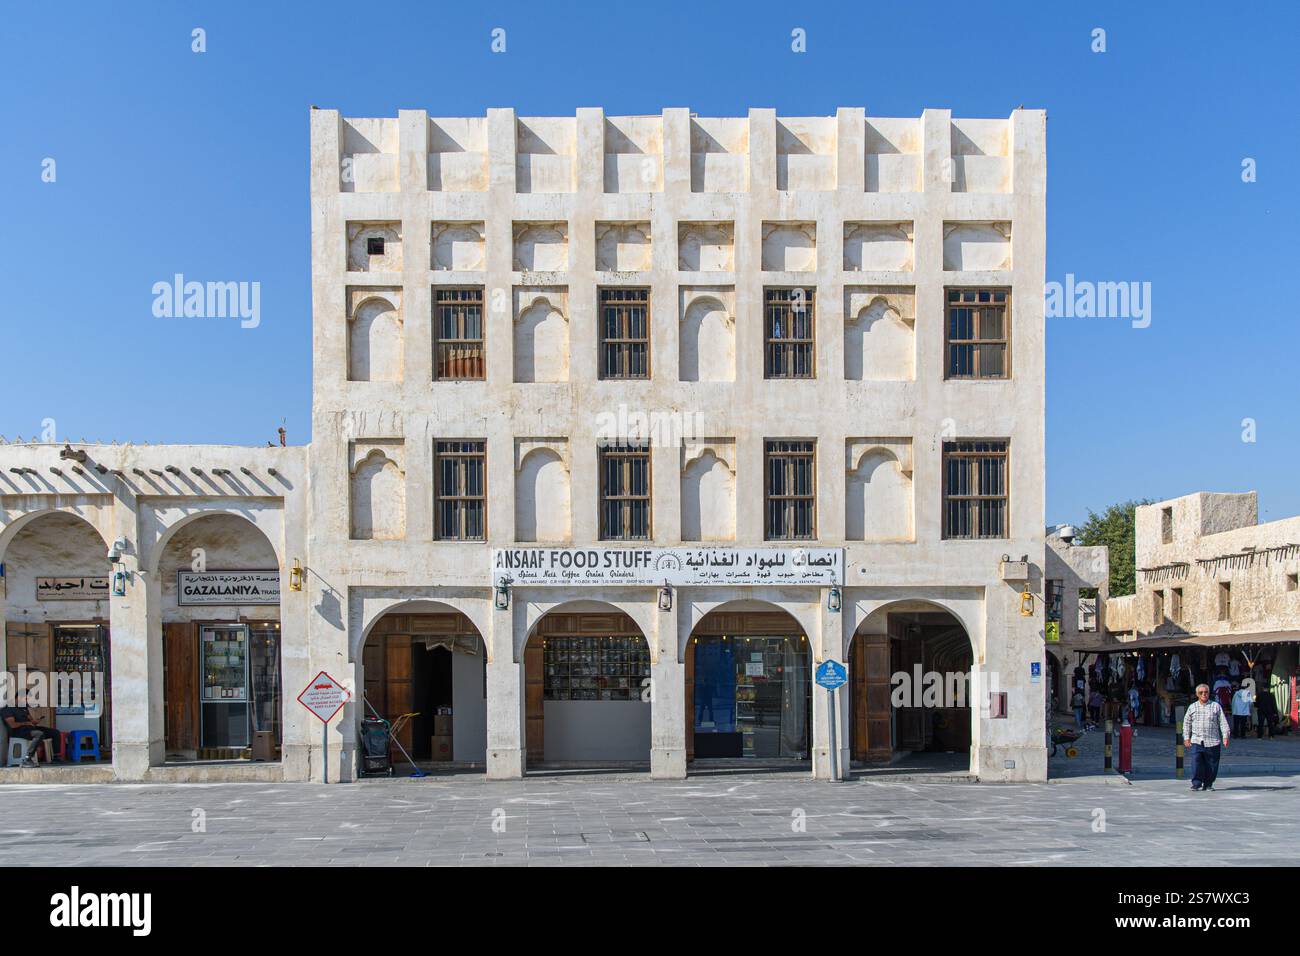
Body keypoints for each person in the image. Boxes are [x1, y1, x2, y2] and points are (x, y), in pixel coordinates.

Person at [1184, 683, 1231, 792]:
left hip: (1213, 741)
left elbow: (1223, 722)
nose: (1204, 694)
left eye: (1206, 692)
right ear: (1197, 694)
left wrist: (1225, 736)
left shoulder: (1216, 706)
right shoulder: (1192, 707)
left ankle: (1208, 784)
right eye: (1201, 693)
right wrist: (1186, 737)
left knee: (1212, 764)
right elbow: (1186, 723)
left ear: (1209, 693)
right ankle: (1196, 783)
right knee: (1196, 762)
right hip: (1197, 740)